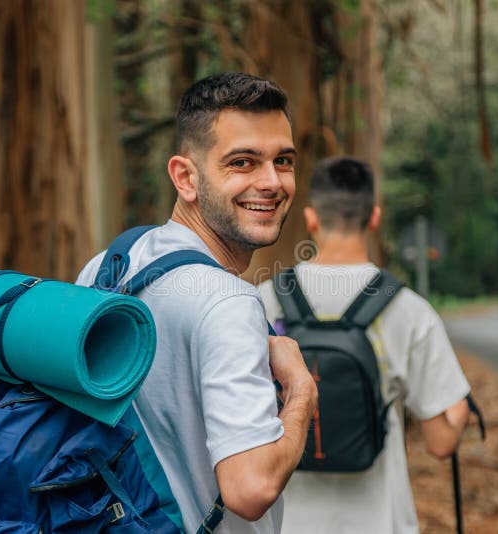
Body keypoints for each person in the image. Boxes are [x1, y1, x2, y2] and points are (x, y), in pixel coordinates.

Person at [76, 72, 317, 533]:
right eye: (243, 162)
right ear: (185, 176)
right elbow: (250, 489)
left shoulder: (110, 263)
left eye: (283, 161)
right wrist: (302, 391)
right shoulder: (229, 303)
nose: (272, 182)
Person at [257, 156, 472, 533]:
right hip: (379, 521)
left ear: (310, 218)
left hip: (283, 522)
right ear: (374, 218)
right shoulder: (407, 309)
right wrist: (460, 414)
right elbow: (440, 443)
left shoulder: (263, 300)